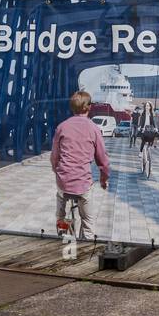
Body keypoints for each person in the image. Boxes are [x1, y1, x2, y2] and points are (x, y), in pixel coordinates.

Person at [50, 90, 110, 241]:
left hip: (64, 182)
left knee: (61, 212)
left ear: (72, 108)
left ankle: (63, 232)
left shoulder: (62, 127)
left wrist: (57, 171)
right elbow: (102, 159)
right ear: (89, 107)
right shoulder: (94, 128)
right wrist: (103, 179)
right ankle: (86, 244)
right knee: (88, 222)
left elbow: (54, 157)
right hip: (83, 183)